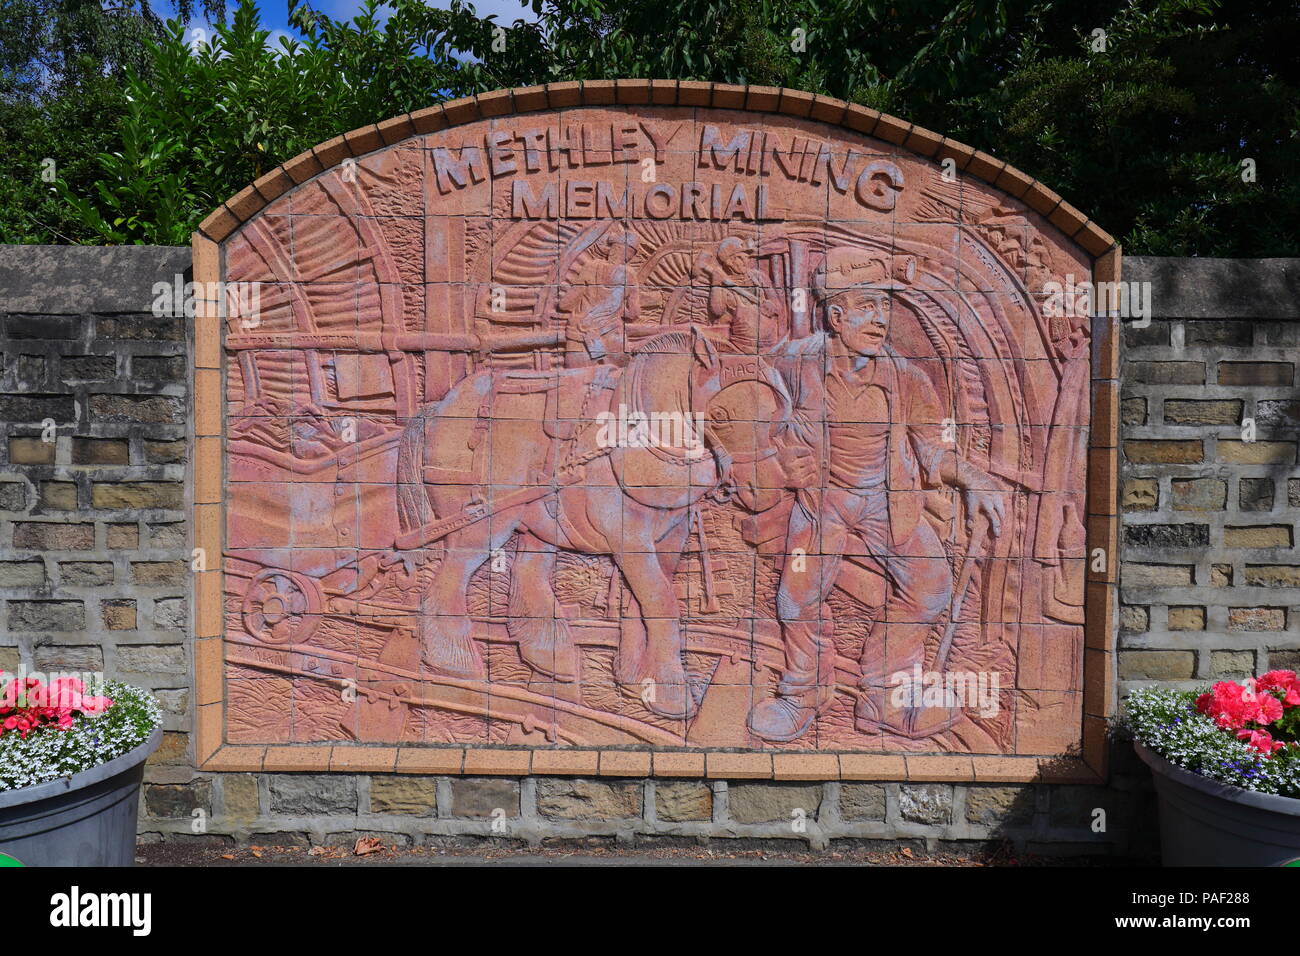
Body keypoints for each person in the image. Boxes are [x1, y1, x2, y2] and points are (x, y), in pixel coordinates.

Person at [746, 246, 1007, 743]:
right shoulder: (790, 365)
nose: (880, 319)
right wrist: (777, 458)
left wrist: (976, 478)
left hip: (888, 502)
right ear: (836, 315)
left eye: (884, 307)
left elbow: (932, 449)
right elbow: (744, 417)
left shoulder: (907, 378)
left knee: (930, 586)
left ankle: (885, 698)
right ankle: (803, 694)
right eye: (866, 306)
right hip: (822, 504)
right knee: (797, 596)